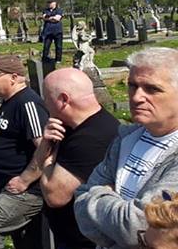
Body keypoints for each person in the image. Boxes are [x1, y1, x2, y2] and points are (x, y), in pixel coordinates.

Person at [75, 47, 178, 248]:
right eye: (132, 86)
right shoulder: (127, 137)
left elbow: (141, 225)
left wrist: (97, 195)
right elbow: (79, 204)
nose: (137, 97)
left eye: (152, 89)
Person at [15, 68, 119, 249]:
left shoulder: (92, 138)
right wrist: (46, 143)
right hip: (68, 236)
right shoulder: (71, 125)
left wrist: (48, 161)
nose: (44, 104)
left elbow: (55, 196)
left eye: (46, 98)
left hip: (83, 241)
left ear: (63, 100)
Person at [0, 55, 48, 249]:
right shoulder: (10, 101)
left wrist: (25, 180)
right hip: (8, 187)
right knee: (26, 240)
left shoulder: (28, 103)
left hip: (26, 191)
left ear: (13, 77)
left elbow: (46, 149)